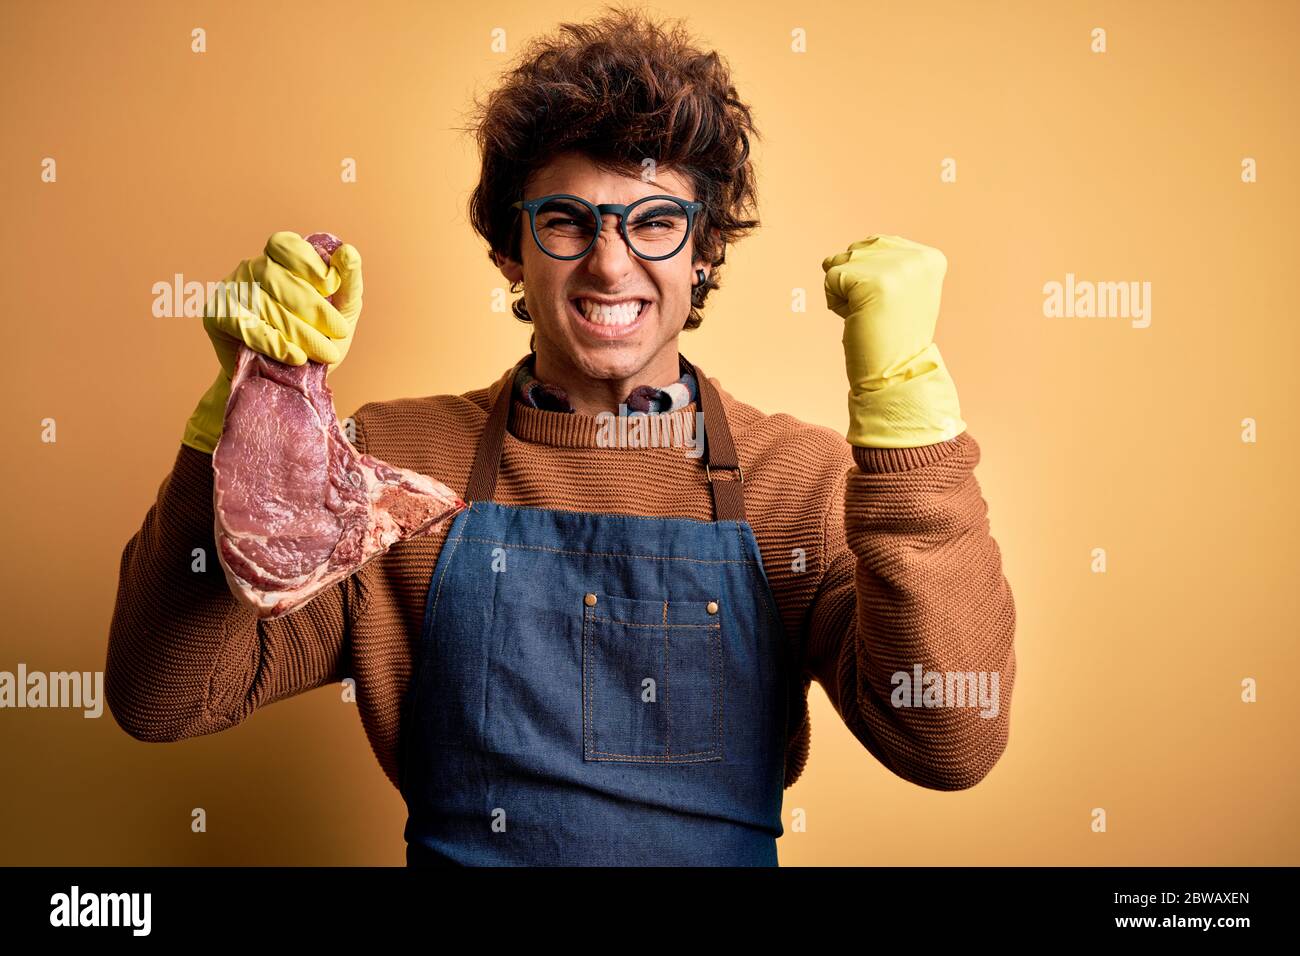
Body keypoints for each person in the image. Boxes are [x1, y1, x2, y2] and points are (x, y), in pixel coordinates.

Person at [105, 5, 1016, 867]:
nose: (612, 262)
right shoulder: (390, 467)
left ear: (705, 256)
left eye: (657, 223)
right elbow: (165, 698)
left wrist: (910, 427)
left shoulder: (797, 482)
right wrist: (250, 414)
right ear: (513, 251)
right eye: (566, 222)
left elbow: (949, 742)